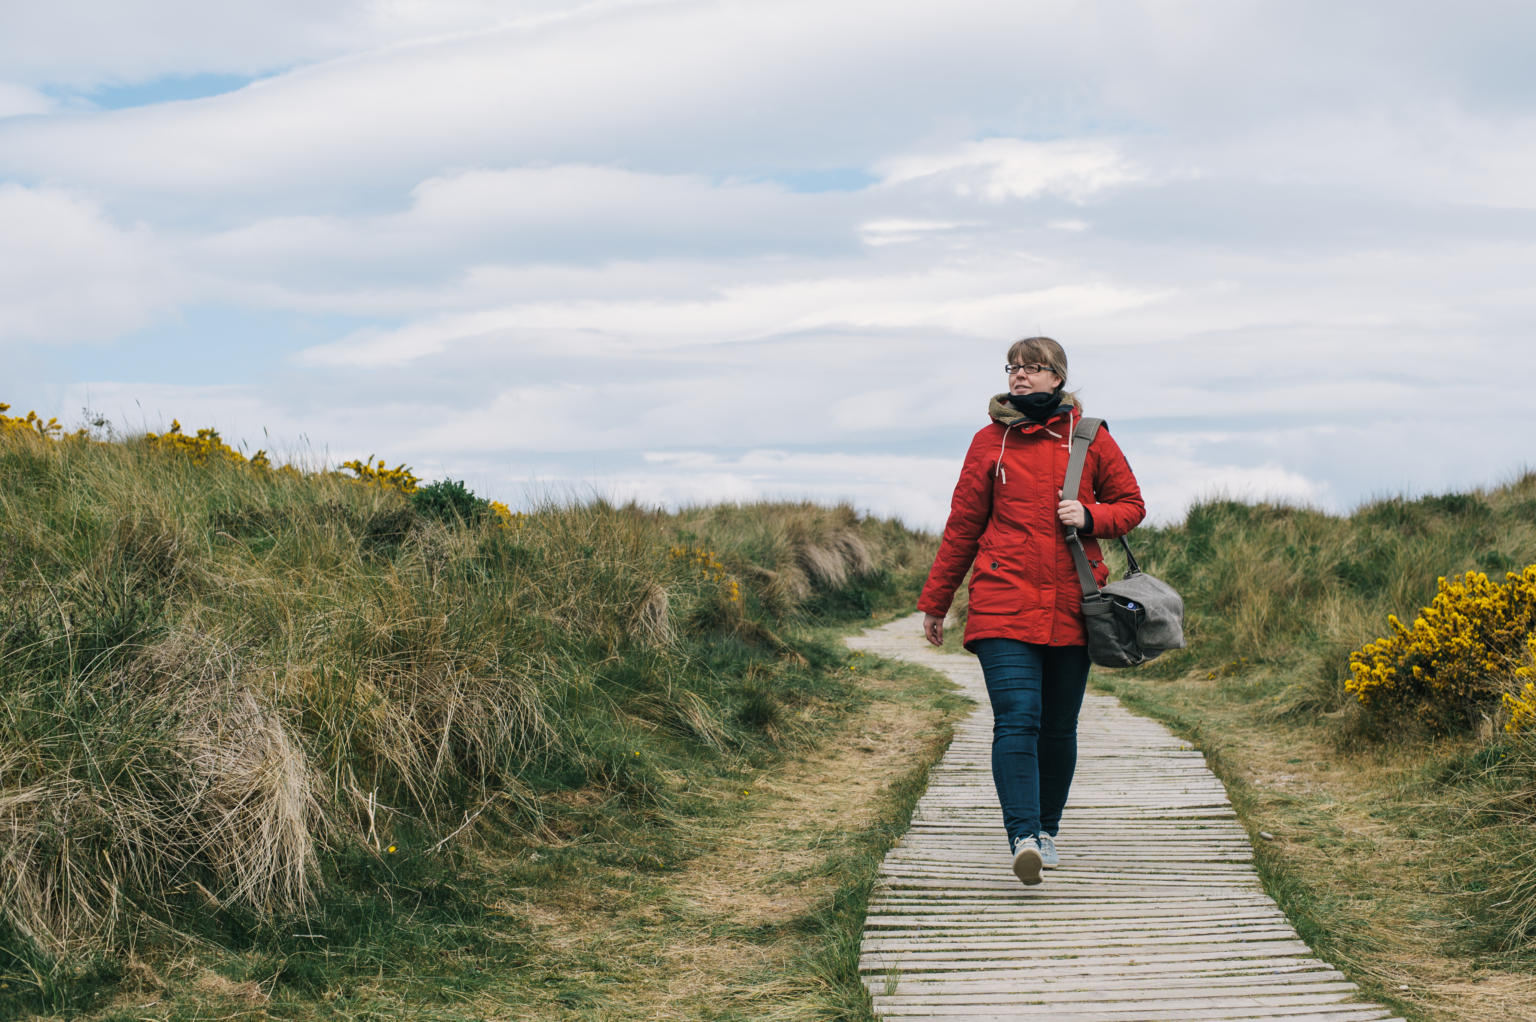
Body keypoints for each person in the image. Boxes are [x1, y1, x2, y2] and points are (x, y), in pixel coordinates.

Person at [918, 337, 1145, 886]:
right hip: (1002, 601)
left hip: (1074, 603)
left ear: (1058, 378)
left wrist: (1090, 517)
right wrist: (936, 601)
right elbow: (963, 527)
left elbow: (1132, 506)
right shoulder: (987, 443)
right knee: (1017, 715)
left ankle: (1047, 830)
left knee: (1058, 727)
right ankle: (1022, 835)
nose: (1020, 376)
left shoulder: (1091, 439)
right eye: (1014, 368)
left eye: (1034, 368)